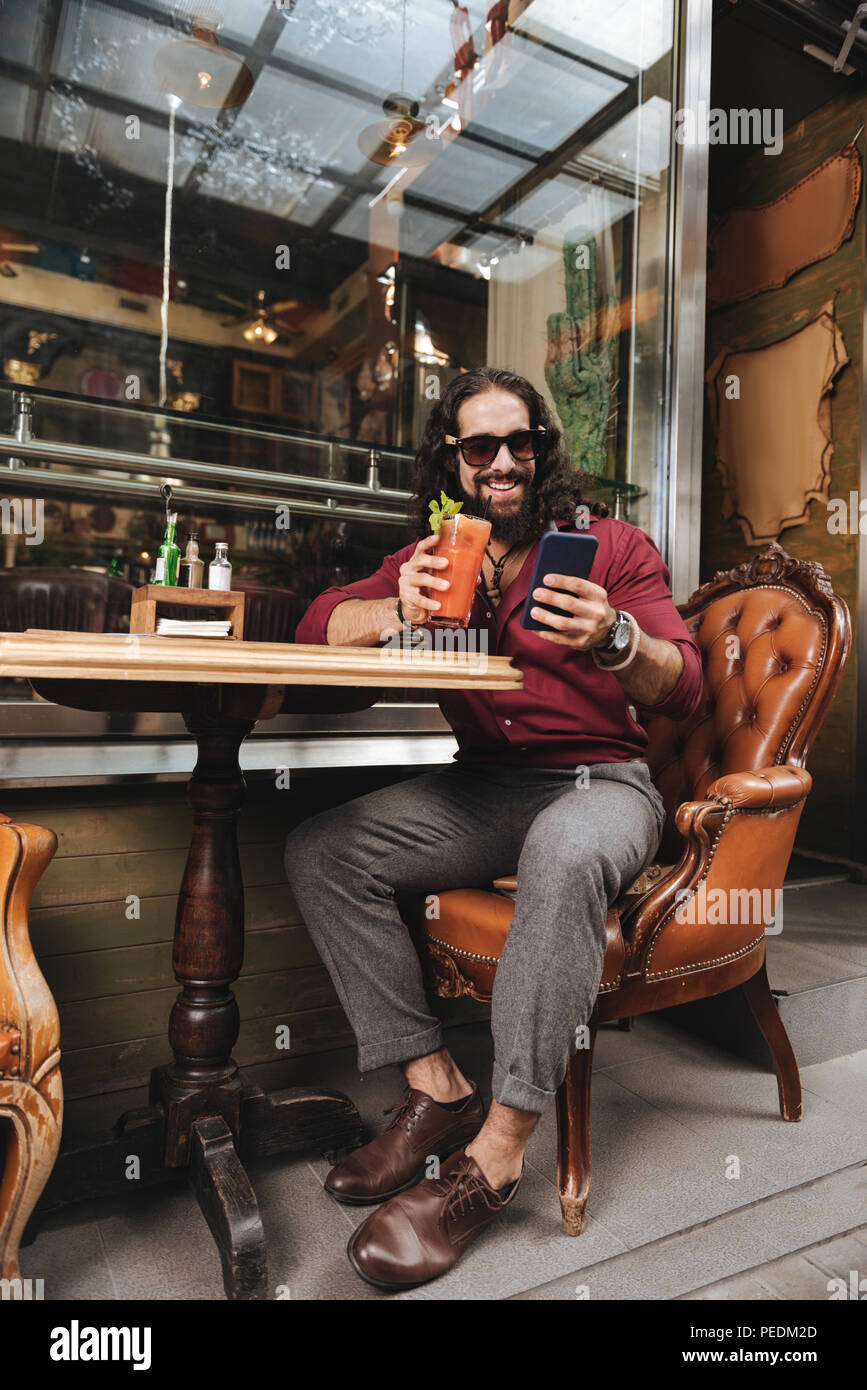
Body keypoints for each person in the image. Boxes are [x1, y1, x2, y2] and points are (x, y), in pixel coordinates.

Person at [285, 366, 703, 1290]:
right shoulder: (437, 554)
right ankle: (435, 1090)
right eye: (482, 447)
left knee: (562, 847)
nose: (505, 462)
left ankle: (498, 1152)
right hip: (485, 786)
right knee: (322, 849)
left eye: (523, 443)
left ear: (542, 452)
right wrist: (396, 605)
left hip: (602, 781)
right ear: (453, 460)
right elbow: (320, 626)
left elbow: (687, 686)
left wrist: (616, 639)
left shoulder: (609, 546)